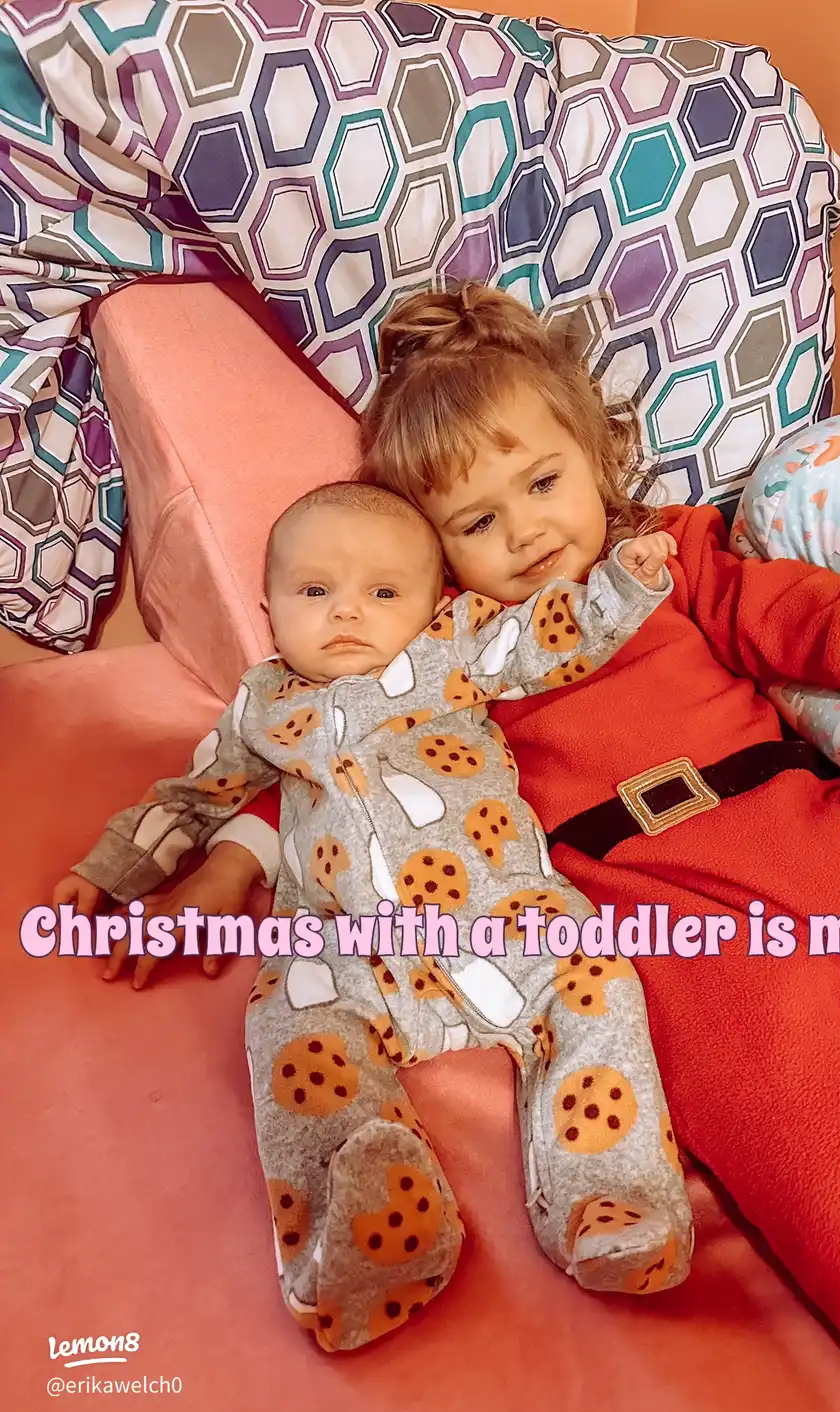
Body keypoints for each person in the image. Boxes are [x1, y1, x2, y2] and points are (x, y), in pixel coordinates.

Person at [97, 283, 840, 1412]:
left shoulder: (664, 557)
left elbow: (786, 609)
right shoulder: (449, 658)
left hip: (826, 839)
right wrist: (233, 860)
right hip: (679, 941)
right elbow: (332, 766)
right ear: (434, 553)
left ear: (595, 458)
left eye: (543, 483)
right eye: (475, 520)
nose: (523, 533)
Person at [53, 480, 694, 1350]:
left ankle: (612, 1202)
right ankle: (377, 1224)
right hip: (346, 946)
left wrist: (624, 582)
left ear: (431, 602)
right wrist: (116, 867)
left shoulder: (452, 649)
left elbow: (543, 638)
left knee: (598, 982)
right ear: (270, 604)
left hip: (506, 916)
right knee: (290, 1026)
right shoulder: (263, 707)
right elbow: (197, 794)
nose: (346, 611)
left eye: (383, 592)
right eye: (315, 592)